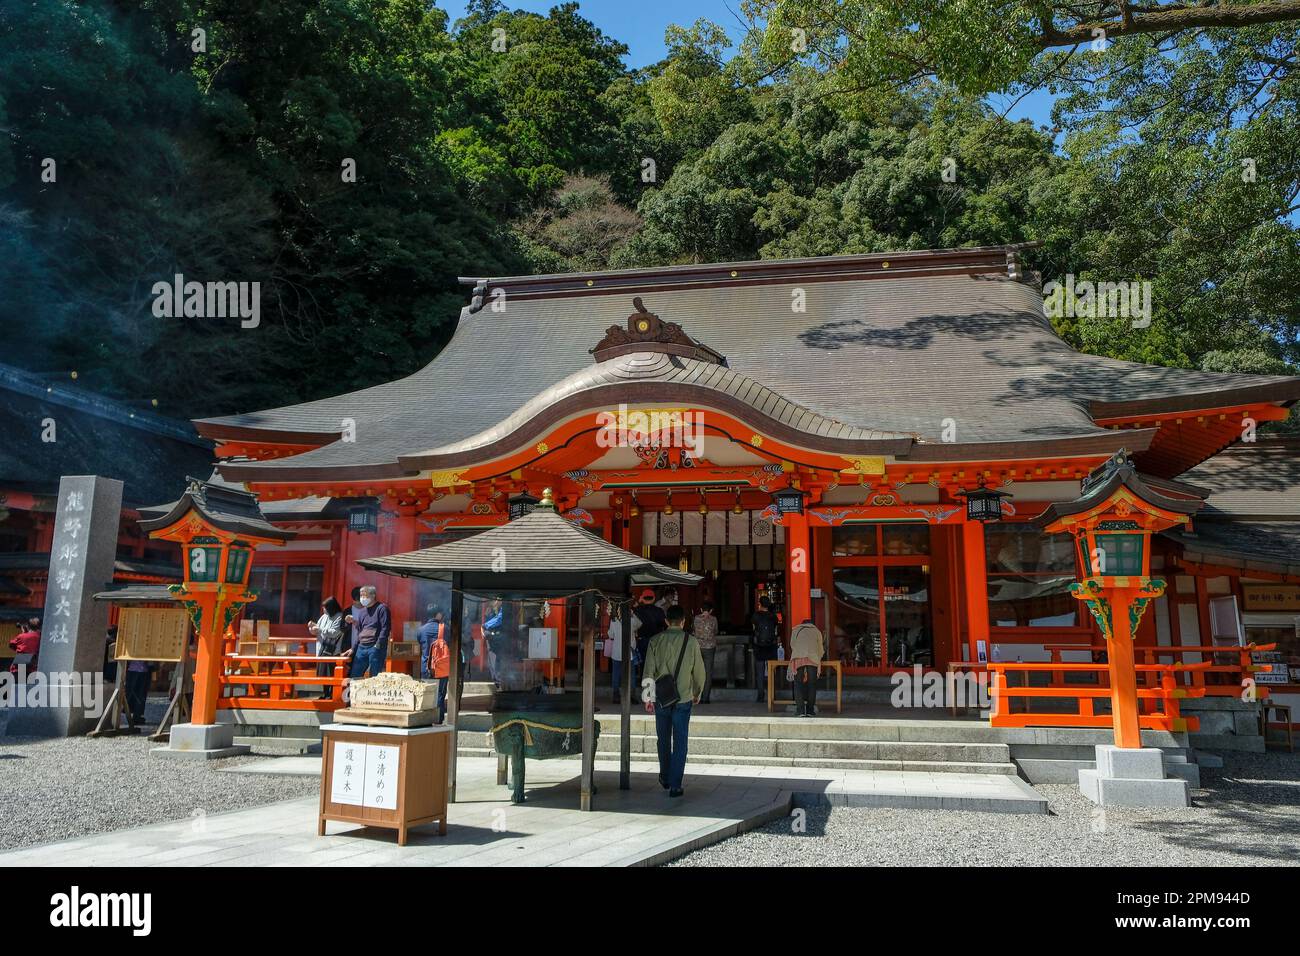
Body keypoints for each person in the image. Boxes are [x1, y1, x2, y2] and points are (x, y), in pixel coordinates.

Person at [642, 605, 706, 798]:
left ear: (667, 621)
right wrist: (697, 692)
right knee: (680, 740)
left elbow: (648, 670)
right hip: (684, 697)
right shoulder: (691, 641)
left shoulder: (655, 641)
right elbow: (700, 671)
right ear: (683, 621)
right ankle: (676, 785)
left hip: (662, 697)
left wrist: (648, 697)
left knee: (663, 738)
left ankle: (665, 776)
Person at [347, 585, 391, 680]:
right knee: (355, 675)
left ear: (373, 595)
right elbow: (360, 631)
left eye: (364, 595)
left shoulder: (382, 608)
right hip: (362, 647)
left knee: (374, 676)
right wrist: (353, 648)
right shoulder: (362, 612)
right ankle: (355, 694)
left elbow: (385, 628)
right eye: (361, 595)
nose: (362, 598)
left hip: (375, 646)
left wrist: (378, 644)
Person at [308, 597, 347, 699]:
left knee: (331, 672)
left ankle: (332, 694)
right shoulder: (323, 617)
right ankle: (325, 693)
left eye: (325, 607)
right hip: (321, 648)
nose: (324, 609)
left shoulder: (339, 617)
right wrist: (312, 627)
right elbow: (318, 630)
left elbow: (334, 632)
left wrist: (319, 629)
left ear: (331, 607)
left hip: (332, 650)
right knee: (323, 673)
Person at [787, 617, 824, 717]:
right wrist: (818, 657)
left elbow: (792, 645)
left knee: (798, 683)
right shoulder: (817, 631)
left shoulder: (796, 630)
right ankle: (810, 710)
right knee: (812, 684)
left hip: (799, 657)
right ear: (812, 624)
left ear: (802, 623)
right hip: (813, 658)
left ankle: (800, 710)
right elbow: (820, 648)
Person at [751, 597, 780, 701]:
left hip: (759, 646)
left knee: (760, 671)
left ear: (760, 604)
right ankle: (772, 694)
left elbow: (754, 629)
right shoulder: (773, 616)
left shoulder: (755, 616)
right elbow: (776, 631)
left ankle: (760, 695)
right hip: (771, 646)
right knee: (772, 671)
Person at [691, 601, 719, 704]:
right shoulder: (713, 619)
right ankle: (705, 698)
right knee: (708, 672)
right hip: (710, 648)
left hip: (697, 647)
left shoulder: (696, 618)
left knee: (696, 672)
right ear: (711, 610)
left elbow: (693, 630)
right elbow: (716, 631)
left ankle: (696, 696)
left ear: (701, 609)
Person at [632, 589, 666, 667]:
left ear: (643, 598)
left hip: (642, 640)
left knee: (643, 663)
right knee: (655, 662)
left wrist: (639, 602)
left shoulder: (638, 610)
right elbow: (664, 625)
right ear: (654, 599)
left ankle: (644, 678)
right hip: (656, 640)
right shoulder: (659, 611)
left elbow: (630, 613)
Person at [428, 622, 451, 723]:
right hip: (441, 668)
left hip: (428, 667)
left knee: (429, 694)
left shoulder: (422, 630)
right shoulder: (444, 629)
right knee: (440, 694)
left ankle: (429, 717)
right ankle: (438, 718)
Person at [416, 604, 444, 680]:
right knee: (440, 691)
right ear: (438, 615)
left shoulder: (420, 630)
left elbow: (420, 643)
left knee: (427, 690)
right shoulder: (445, 629)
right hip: (440, 668)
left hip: (425, 667)